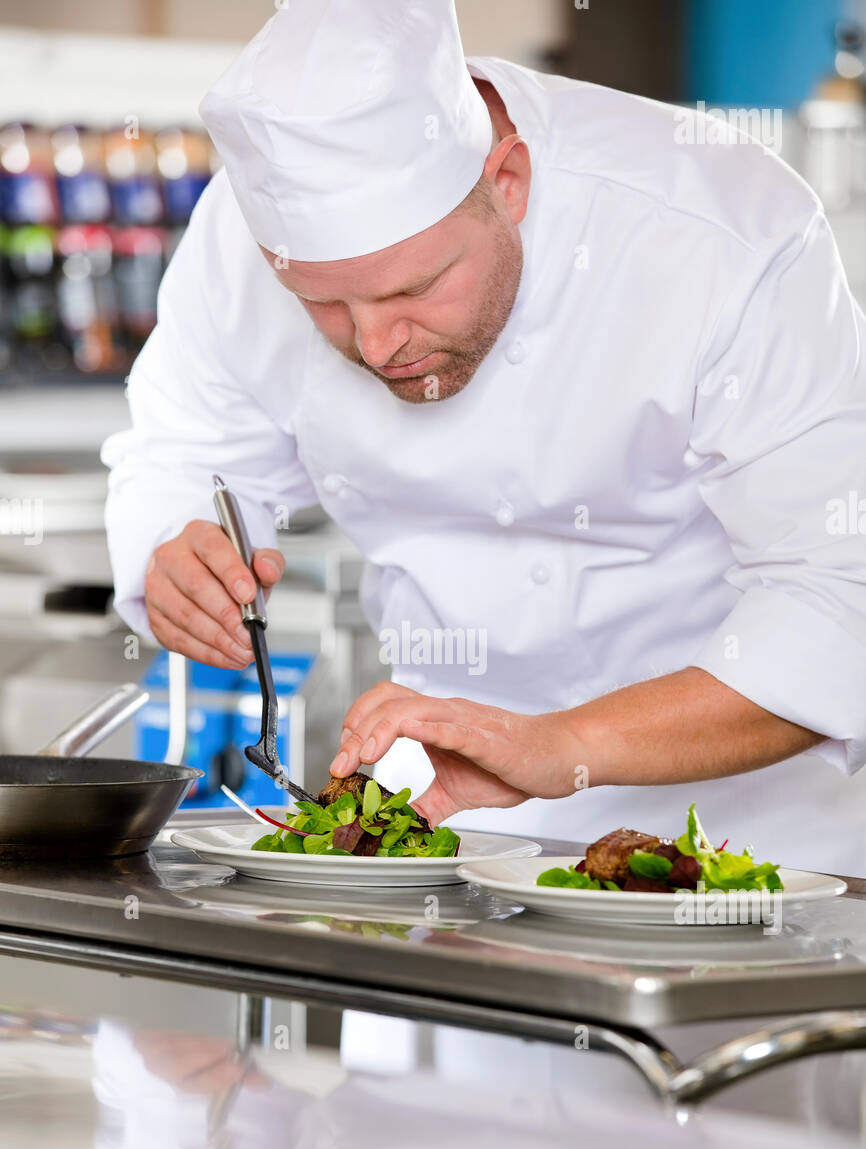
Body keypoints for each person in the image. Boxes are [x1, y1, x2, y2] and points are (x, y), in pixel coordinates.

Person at [103, 0, 866, 874]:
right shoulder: (243, 240)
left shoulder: (721, 227)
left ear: (508, 180)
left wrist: (562, 744)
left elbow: (842, 595)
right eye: (325, 306)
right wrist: (177, 553)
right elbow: (181, 449)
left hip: (745, 855)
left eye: (413, 289)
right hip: (430, 838)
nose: (378, 344)